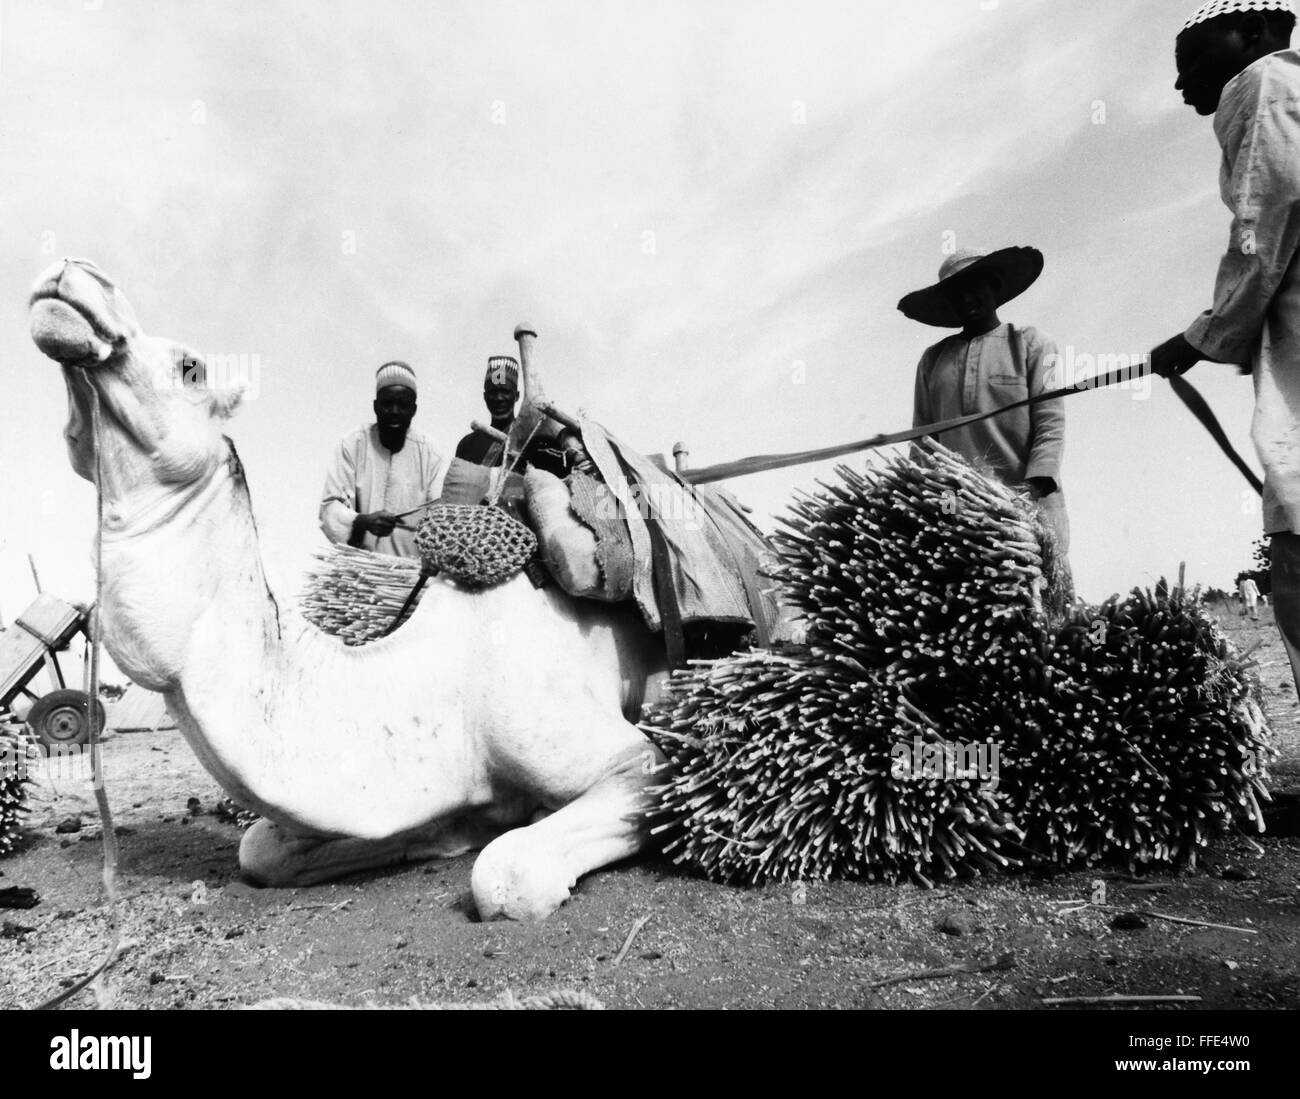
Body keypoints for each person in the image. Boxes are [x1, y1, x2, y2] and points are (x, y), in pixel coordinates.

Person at [1147, 0, 1300, 689]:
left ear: (1255, 31)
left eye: (1193, 61)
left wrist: (1203, 336)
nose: (1182, 88)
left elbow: (1265, 215)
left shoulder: (1262, 83)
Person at [900, 245, 1072, 597]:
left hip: (1026, 503)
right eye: (955, 293)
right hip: (957, 511)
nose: (966, 298)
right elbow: (923, 444)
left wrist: (1032, 490)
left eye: (974, 285)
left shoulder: (1033, 344)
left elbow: (1050, 423)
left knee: (1041, 605)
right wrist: (928, 502)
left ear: (994, 285)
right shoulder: (933, 360)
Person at [320, 361, 443, 558]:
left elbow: (439, 516)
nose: (394, 411)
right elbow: (330, 509)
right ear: (376, 406)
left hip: (408, 575)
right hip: (357, 572)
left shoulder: (430, 454)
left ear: (413, 410)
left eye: (402, 405)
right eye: (387, 404)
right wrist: (362, 521)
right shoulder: (351, 445)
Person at [455, 355, 571, 477]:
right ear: (485, 397)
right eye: (493, 392)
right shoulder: (467, 445)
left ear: (516, 396)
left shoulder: (534, 440)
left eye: (505, 392)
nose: (499, 398)